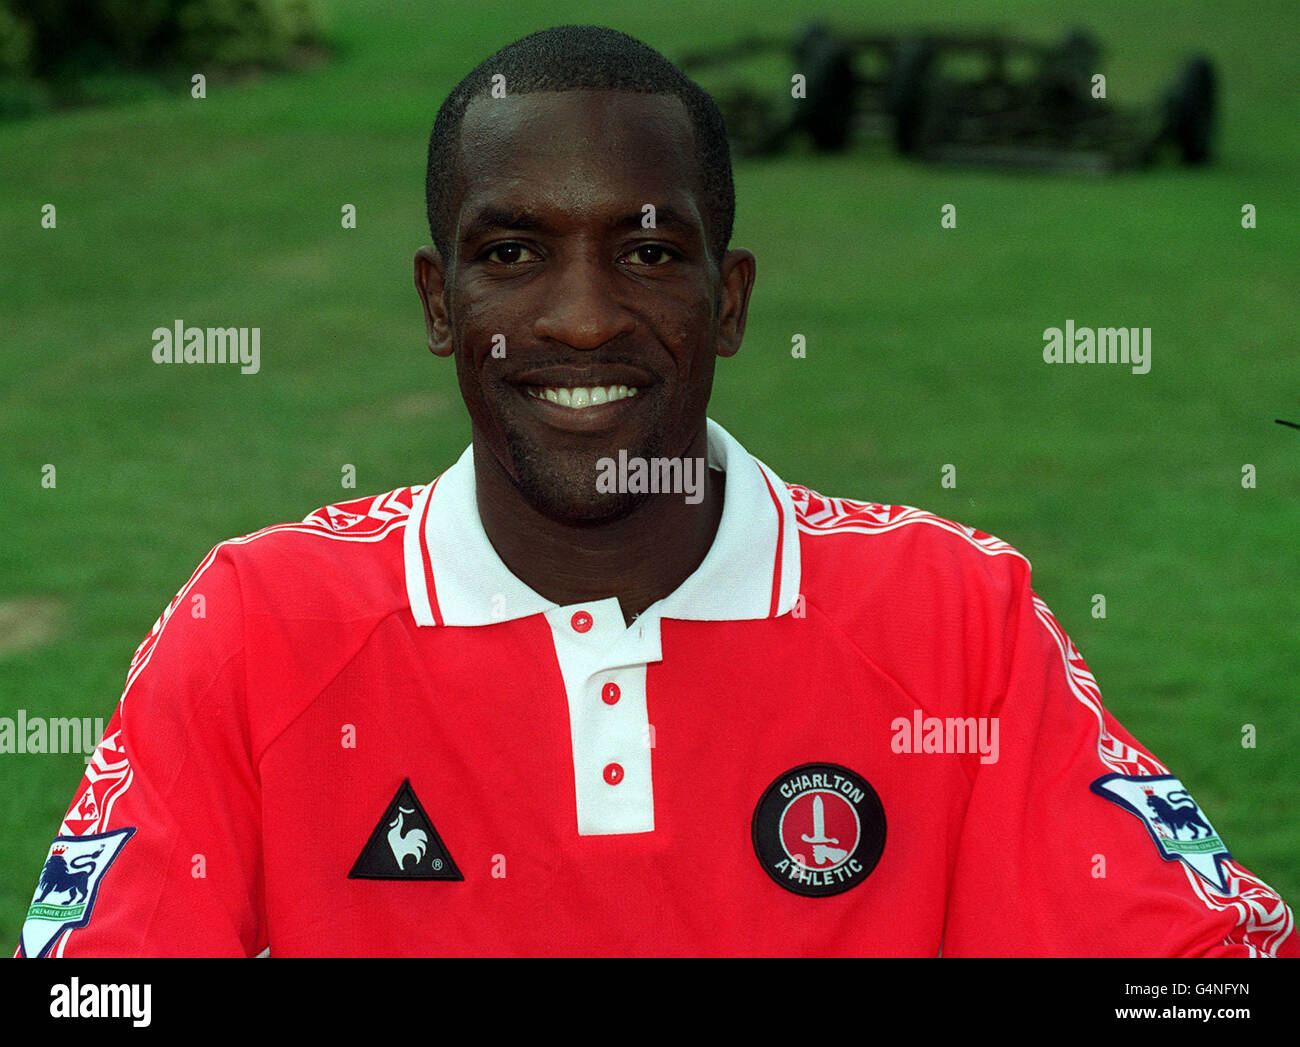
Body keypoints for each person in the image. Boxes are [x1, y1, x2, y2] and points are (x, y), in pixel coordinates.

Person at [16, 25, 1296, 958]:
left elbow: (1197, 968)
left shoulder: (952, 618)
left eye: (645, 252)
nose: (581, 321)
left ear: (725, 302)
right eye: (512, 253)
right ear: (436, 302)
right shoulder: (259, 625)